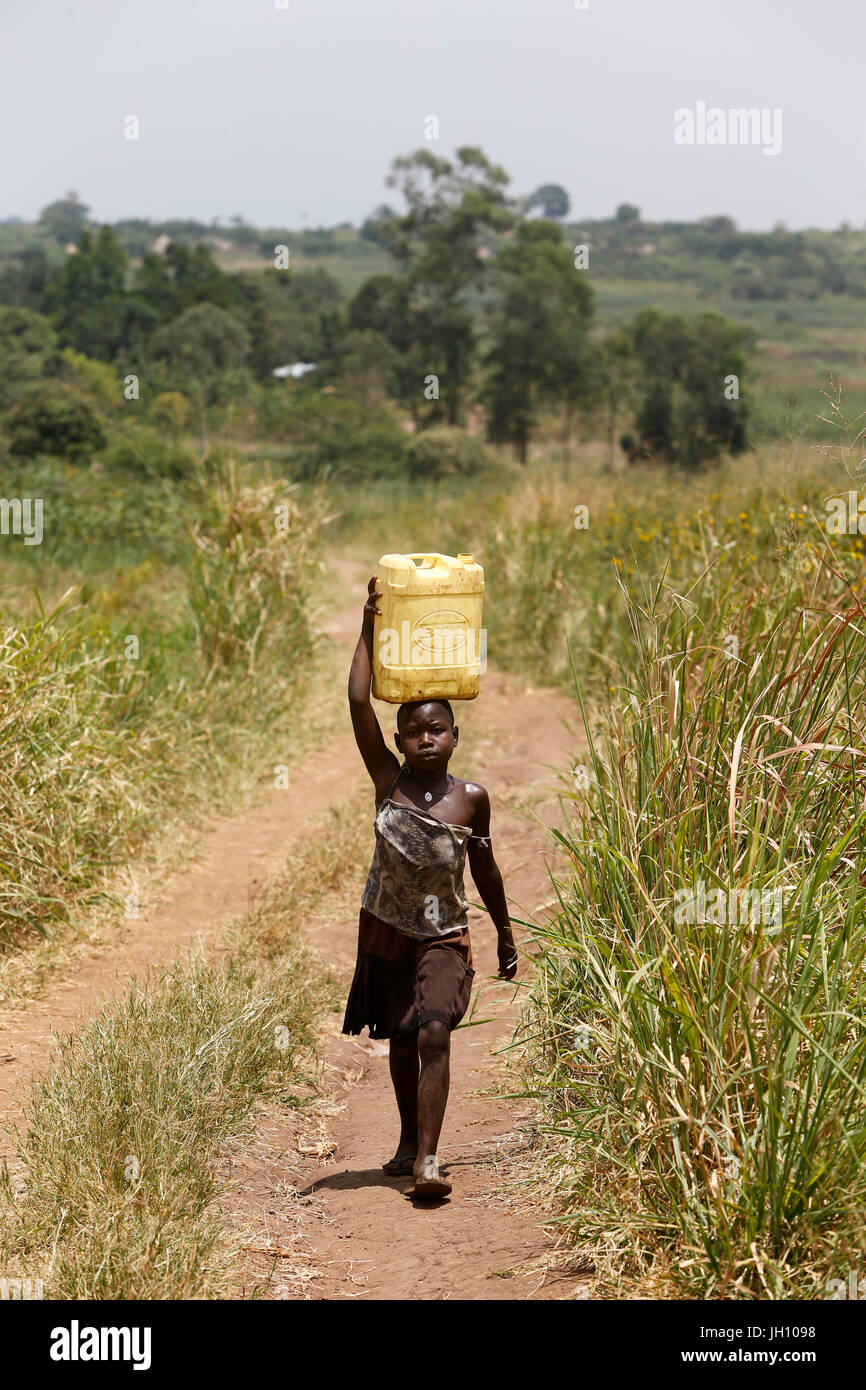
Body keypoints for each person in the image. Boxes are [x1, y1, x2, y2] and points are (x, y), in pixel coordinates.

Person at [343, 574, 518, 1200]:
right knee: (398, 1036)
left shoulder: (471, 800)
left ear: (454, 736)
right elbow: (360, 701)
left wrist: (504, 933)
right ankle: (408, 1140)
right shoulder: (387, 782)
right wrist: (368, 628)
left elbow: (487, 869)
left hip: (445, 932)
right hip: (389, 927)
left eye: (437, 729)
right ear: (398, 742)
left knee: (435, 1030)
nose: (425, 738)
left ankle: (430, 1160)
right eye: (414, 731)